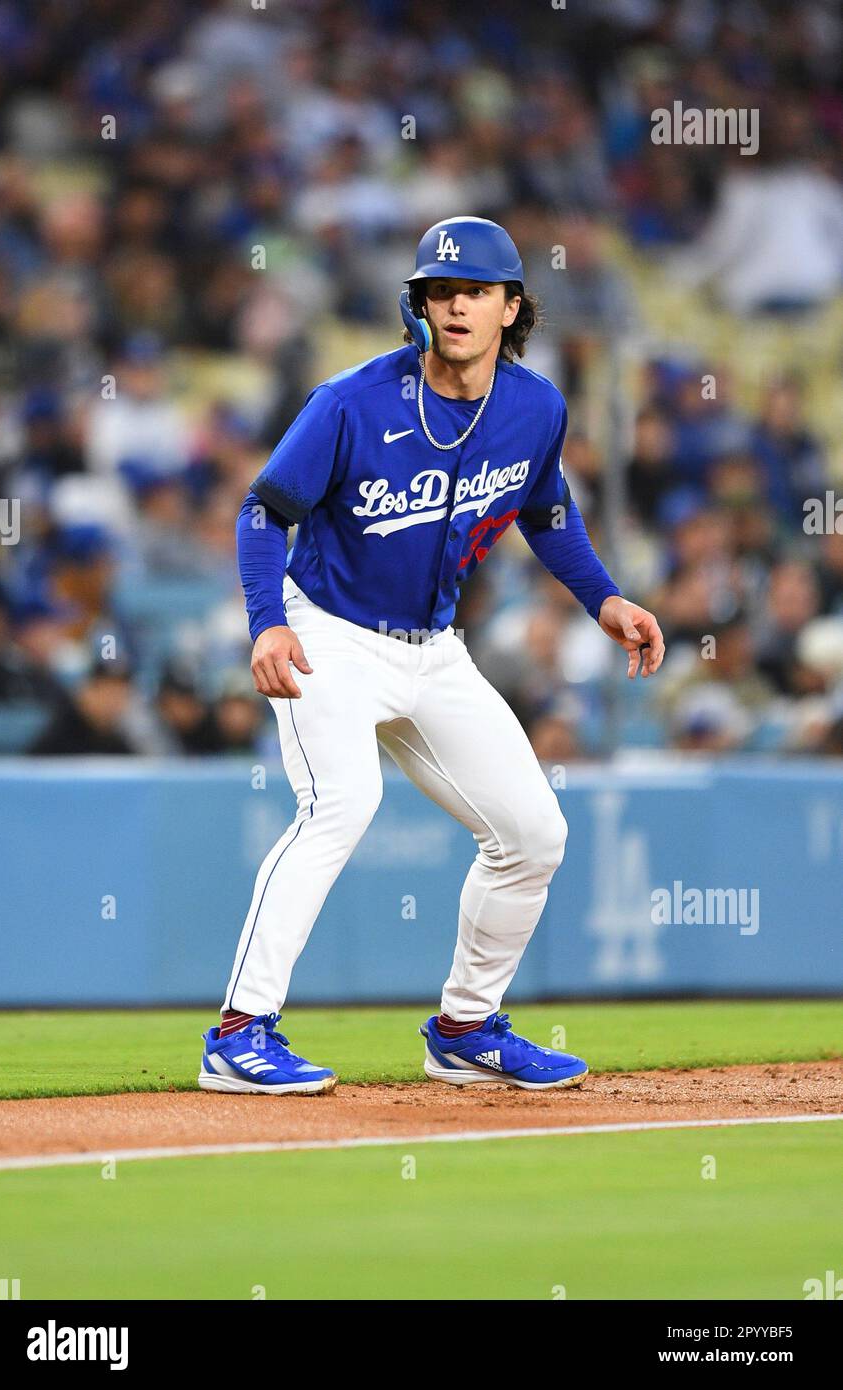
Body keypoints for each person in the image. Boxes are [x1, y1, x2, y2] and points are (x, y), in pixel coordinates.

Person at [199, 216, 665, 1097]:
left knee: (533, 833)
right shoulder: (352, 400)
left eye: (474, 292)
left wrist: (603, 597)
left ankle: (464, 1029)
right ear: (417, 306)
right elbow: (265, 510)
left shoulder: (535, 408)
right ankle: (239, 1030)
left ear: (510, 307)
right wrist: (267, 621)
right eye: (438, 292)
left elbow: (547, 514)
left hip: (435, 648)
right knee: (341, 804)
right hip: (328, 629)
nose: (454, 305)